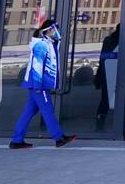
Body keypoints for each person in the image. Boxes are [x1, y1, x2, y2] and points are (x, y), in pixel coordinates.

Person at [8, 16, 77, 149]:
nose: (57, 31)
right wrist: (39, 86)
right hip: (38, 85)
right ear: (47, 31)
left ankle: (16, 140)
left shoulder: (49, 44)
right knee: (48, 110)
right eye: (54, 29)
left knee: (28, 112)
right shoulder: (41, 45)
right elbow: (37, 66)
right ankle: (59, 137)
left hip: (38, 85)